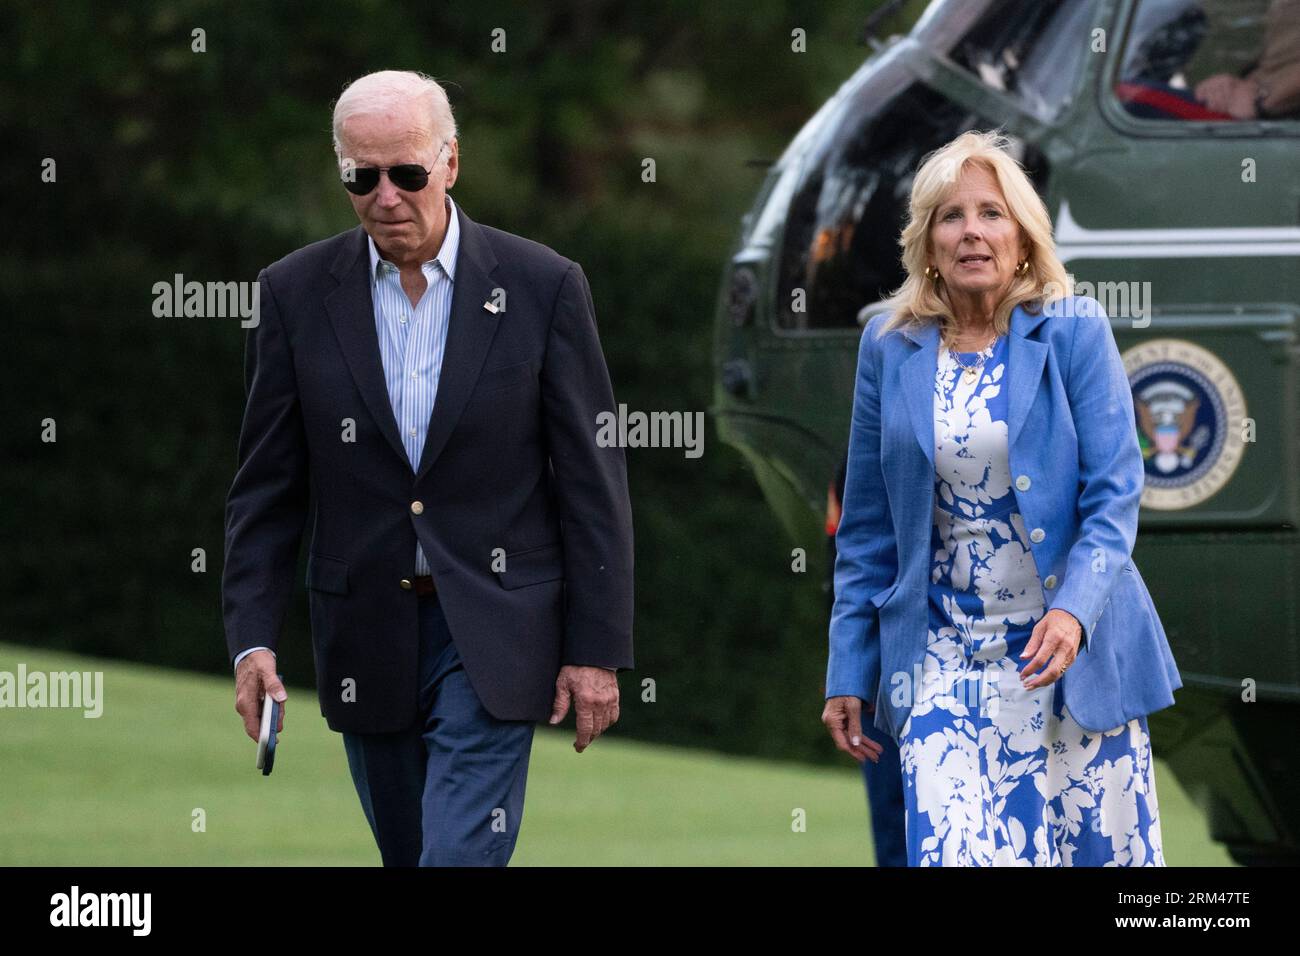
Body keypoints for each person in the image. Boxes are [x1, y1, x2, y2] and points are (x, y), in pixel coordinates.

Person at [221, 70, 634, 866]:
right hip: (363, 635)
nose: (385, 196)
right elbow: (266, 491)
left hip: (493, 630)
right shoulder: (292, 294)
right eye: (360, 177)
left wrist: (595, 649)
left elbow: (592, 483)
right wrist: (252, 641)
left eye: (406, 173)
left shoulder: (544, 287)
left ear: (450, 163)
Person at [821, 130, 1182, 866]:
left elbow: (1114, 496)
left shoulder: (1075, 330)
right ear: (926, 242)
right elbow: (866, 531)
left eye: (992, 213)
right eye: (951, 216)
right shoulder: (888, 347)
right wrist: (848, 669)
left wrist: (1073, 611)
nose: (972, 231)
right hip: (943, 667)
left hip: (1073, 658)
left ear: (1022, 238)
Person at [826, 456, 906, 868]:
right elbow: (842, 567)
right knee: (894, 826)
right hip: (882, 677)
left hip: (968, 662)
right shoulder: (857, 459)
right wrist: (852, 671)